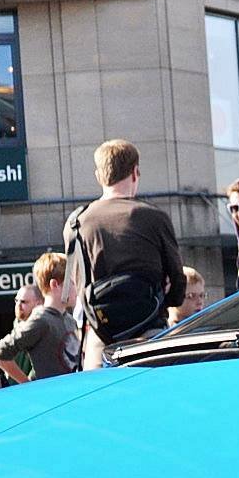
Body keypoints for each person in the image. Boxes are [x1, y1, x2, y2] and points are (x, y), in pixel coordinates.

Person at [65, 139, 187, 364]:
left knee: (100, 396)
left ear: (98, 176)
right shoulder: (153, 217)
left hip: (101, 335)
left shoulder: (77, 223)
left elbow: (77, 285)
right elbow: (178, 281)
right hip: (150, 331)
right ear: (135, 172)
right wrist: (164, 301)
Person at [0, 252, 77, 384]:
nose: (76, 288)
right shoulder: (41, 319)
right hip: (49, 398)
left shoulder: (70, 320)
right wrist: (27, 384)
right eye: (72, 282)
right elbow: (0, 354)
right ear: (55, 285)